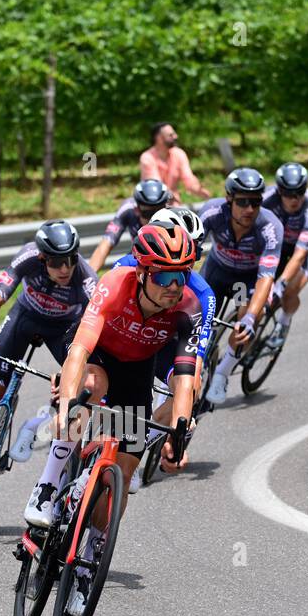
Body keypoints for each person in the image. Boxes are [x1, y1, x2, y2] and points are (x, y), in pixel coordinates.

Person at [22, 224, 200, 614]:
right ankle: (48, 485)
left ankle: (87, 564)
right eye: (164, 277)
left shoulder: (188, 307)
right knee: (91, 386)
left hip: (137, 371)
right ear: (142, 274)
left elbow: (186, 379)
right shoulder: (116, 284)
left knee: (123, 469)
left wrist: (179, 433)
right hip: (97, 354)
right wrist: (67, 404)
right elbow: (78, 351)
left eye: (182, 276)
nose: (174, 286)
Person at [0, 220, 97, 496]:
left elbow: (94, 333)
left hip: (64, 330)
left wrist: (72, 372)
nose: (65, 268)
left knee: (74, 396)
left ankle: (45, 441)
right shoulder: (28, 256)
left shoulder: (87, 279)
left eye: (70, 259)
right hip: (25, 318)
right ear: (42, 258)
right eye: (56, 262)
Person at [111, 207, 216, 491]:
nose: (186, 261)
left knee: (190, 384)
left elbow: (194, 362)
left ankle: (142, 441)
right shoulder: (125, 267)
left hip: (168, 345)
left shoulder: (202, 294)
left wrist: (179, 428)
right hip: (127, 337)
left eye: (194, 252)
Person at [197, 167, 285, 405]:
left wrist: (250, 317)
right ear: (229, 199)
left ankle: (222, 373)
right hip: (216, 271)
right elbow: (188, 249)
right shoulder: (212, 212)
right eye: (243, 202)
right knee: (194, 318)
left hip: (244, 282)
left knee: (245, 323)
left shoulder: (270, 227)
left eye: (255, 202)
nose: (249, 209)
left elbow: (266, 277)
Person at [262, 162, 308, 349]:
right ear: (279, 191)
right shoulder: (266, 200)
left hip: (307, 246)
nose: (295, 199)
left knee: (288, 291)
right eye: (289, 193)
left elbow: (300, 254)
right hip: (281, 243)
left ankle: (284, 322)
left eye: (300, 192)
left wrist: (281, 284)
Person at [88, 179, 171, 271]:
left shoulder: (172, 214)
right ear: (137, 209)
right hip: (138, 255)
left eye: (158, 211)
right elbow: (105, 244)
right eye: (147, 212)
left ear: (166, 207)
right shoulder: (127, 209)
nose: (153, 218)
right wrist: (91, 275)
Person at [139, 121, 211, 203]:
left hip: (173, 202)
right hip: (152, 204)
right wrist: (171, 197)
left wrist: (199, 190)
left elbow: (188, 178)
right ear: (159, 138)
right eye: (171, 135)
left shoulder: (179, 153)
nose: (176, 136)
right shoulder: (147, 157)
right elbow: (157, 187)